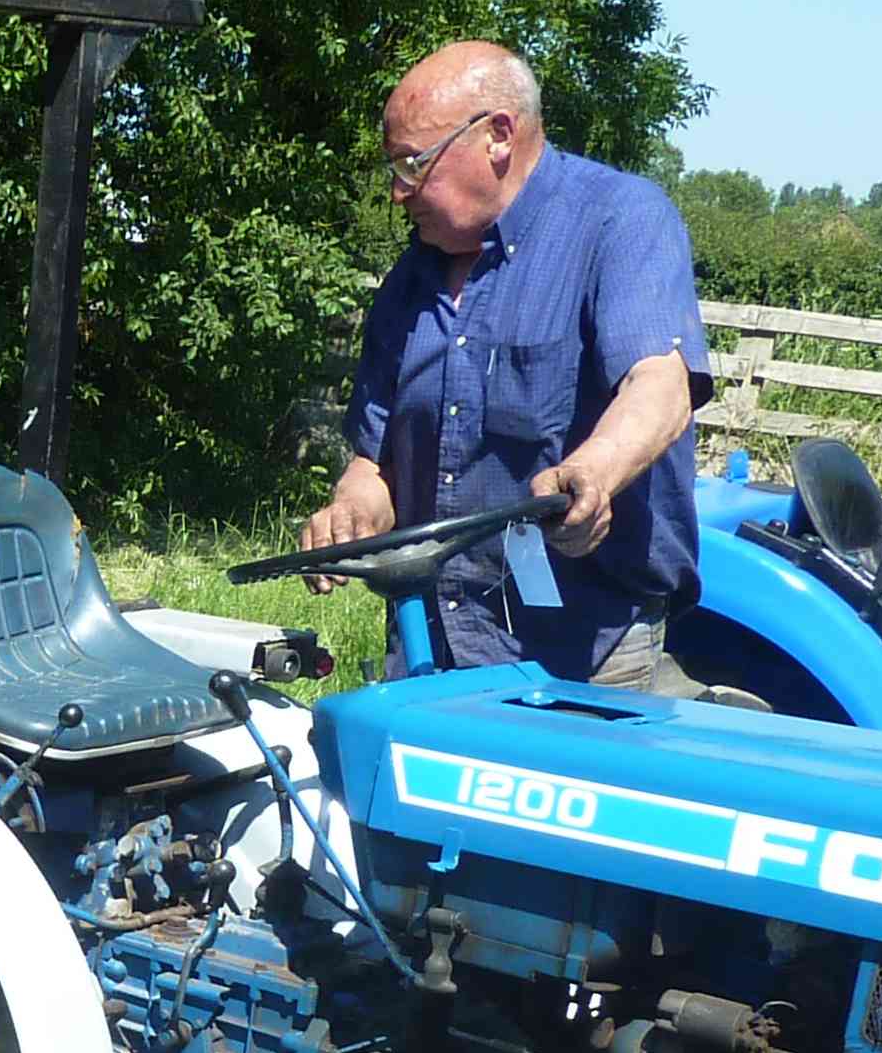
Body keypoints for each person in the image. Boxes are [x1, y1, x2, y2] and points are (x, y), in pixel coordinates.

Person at [300, 42, 710, 689]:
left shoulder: (619, 221)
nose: (397, 192)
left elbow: (659, 385)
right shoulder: (408, 284)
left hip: (583, 658)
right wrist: (351, 512)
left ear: (497, 136)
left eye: (414, 164)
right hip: (428, 650)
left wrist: (593, 475)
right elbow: (375, 462)